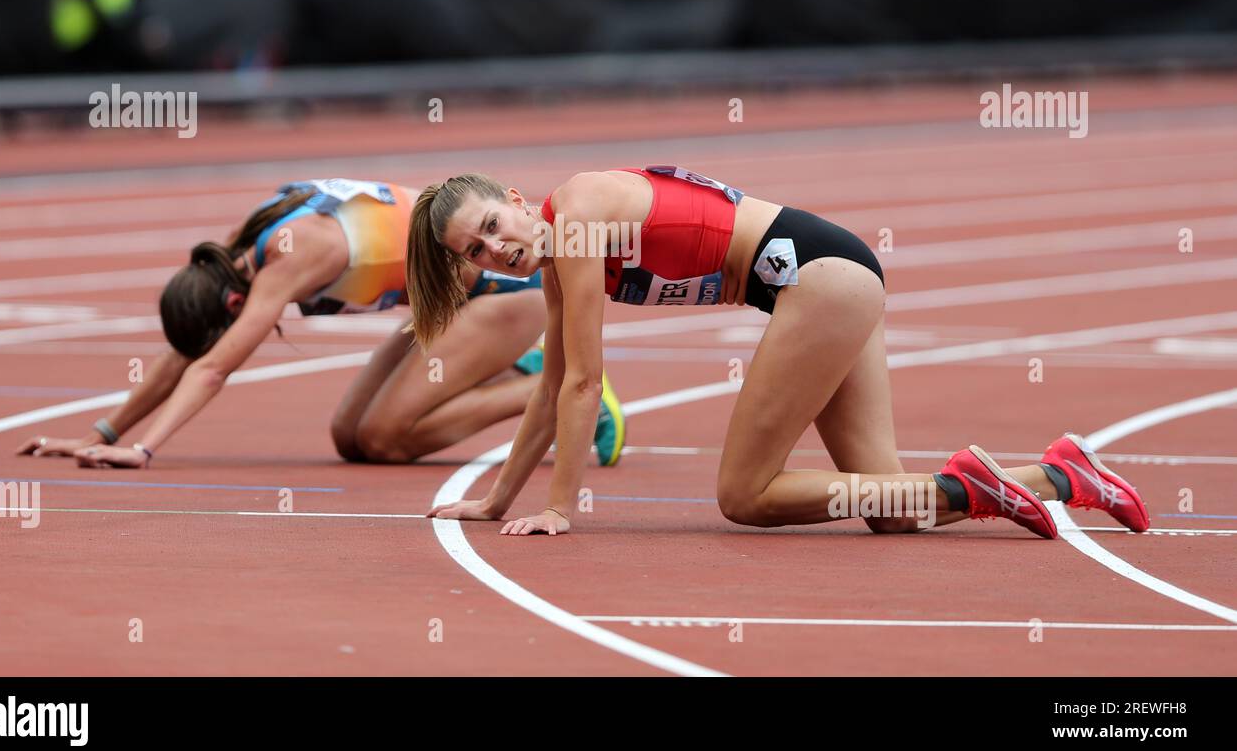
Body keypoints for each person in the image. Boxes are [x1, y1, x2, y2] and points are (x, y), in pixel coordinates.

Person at [409, 168, 1149, 538]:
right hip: (825, 280)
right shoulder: (557, 261)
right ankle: (1054, 475)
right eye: (476, 252)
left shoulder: (574, 215)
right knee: (891, 508)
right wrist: (496, 503)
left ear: (512, 196)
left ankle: (981, 484)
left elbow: (583, 386)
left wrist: (560, 509)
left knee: (744, 495)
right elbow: (553, 387)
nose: (496, 249)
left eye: (492, 224)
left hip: (820, 279)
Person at [18, 178, 625, 468]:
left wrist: (143, 448)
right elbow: (189, 351)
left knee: (386, 440)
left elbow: (213, 366)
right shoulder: (238, 252)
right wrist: (102, 434)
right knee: (350, 441)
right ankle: (526, 370)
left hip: (503, 297)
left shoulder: (290, 255)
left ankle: (551, 390)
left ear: (231, 307)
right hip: (451, 306)